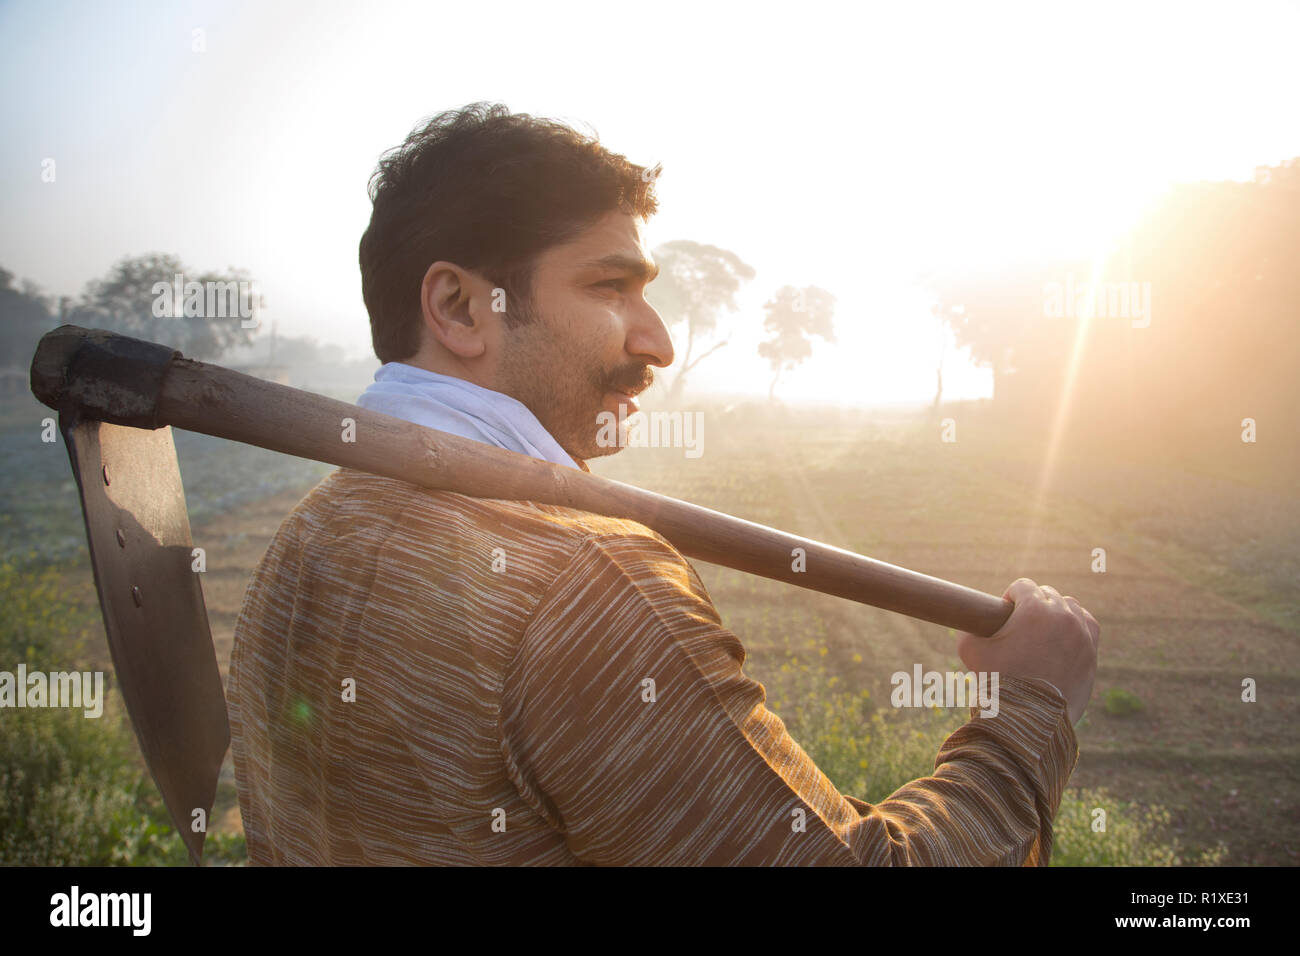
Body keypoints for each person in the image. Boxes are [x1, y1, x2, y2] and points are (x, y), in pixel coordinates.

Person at [227, 102, 1100, 865]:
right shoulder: (583, 584)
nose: (658, 343)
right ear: (460, 309)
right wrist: (1028, 709)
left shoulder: (306, 539)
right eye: (610, 286)